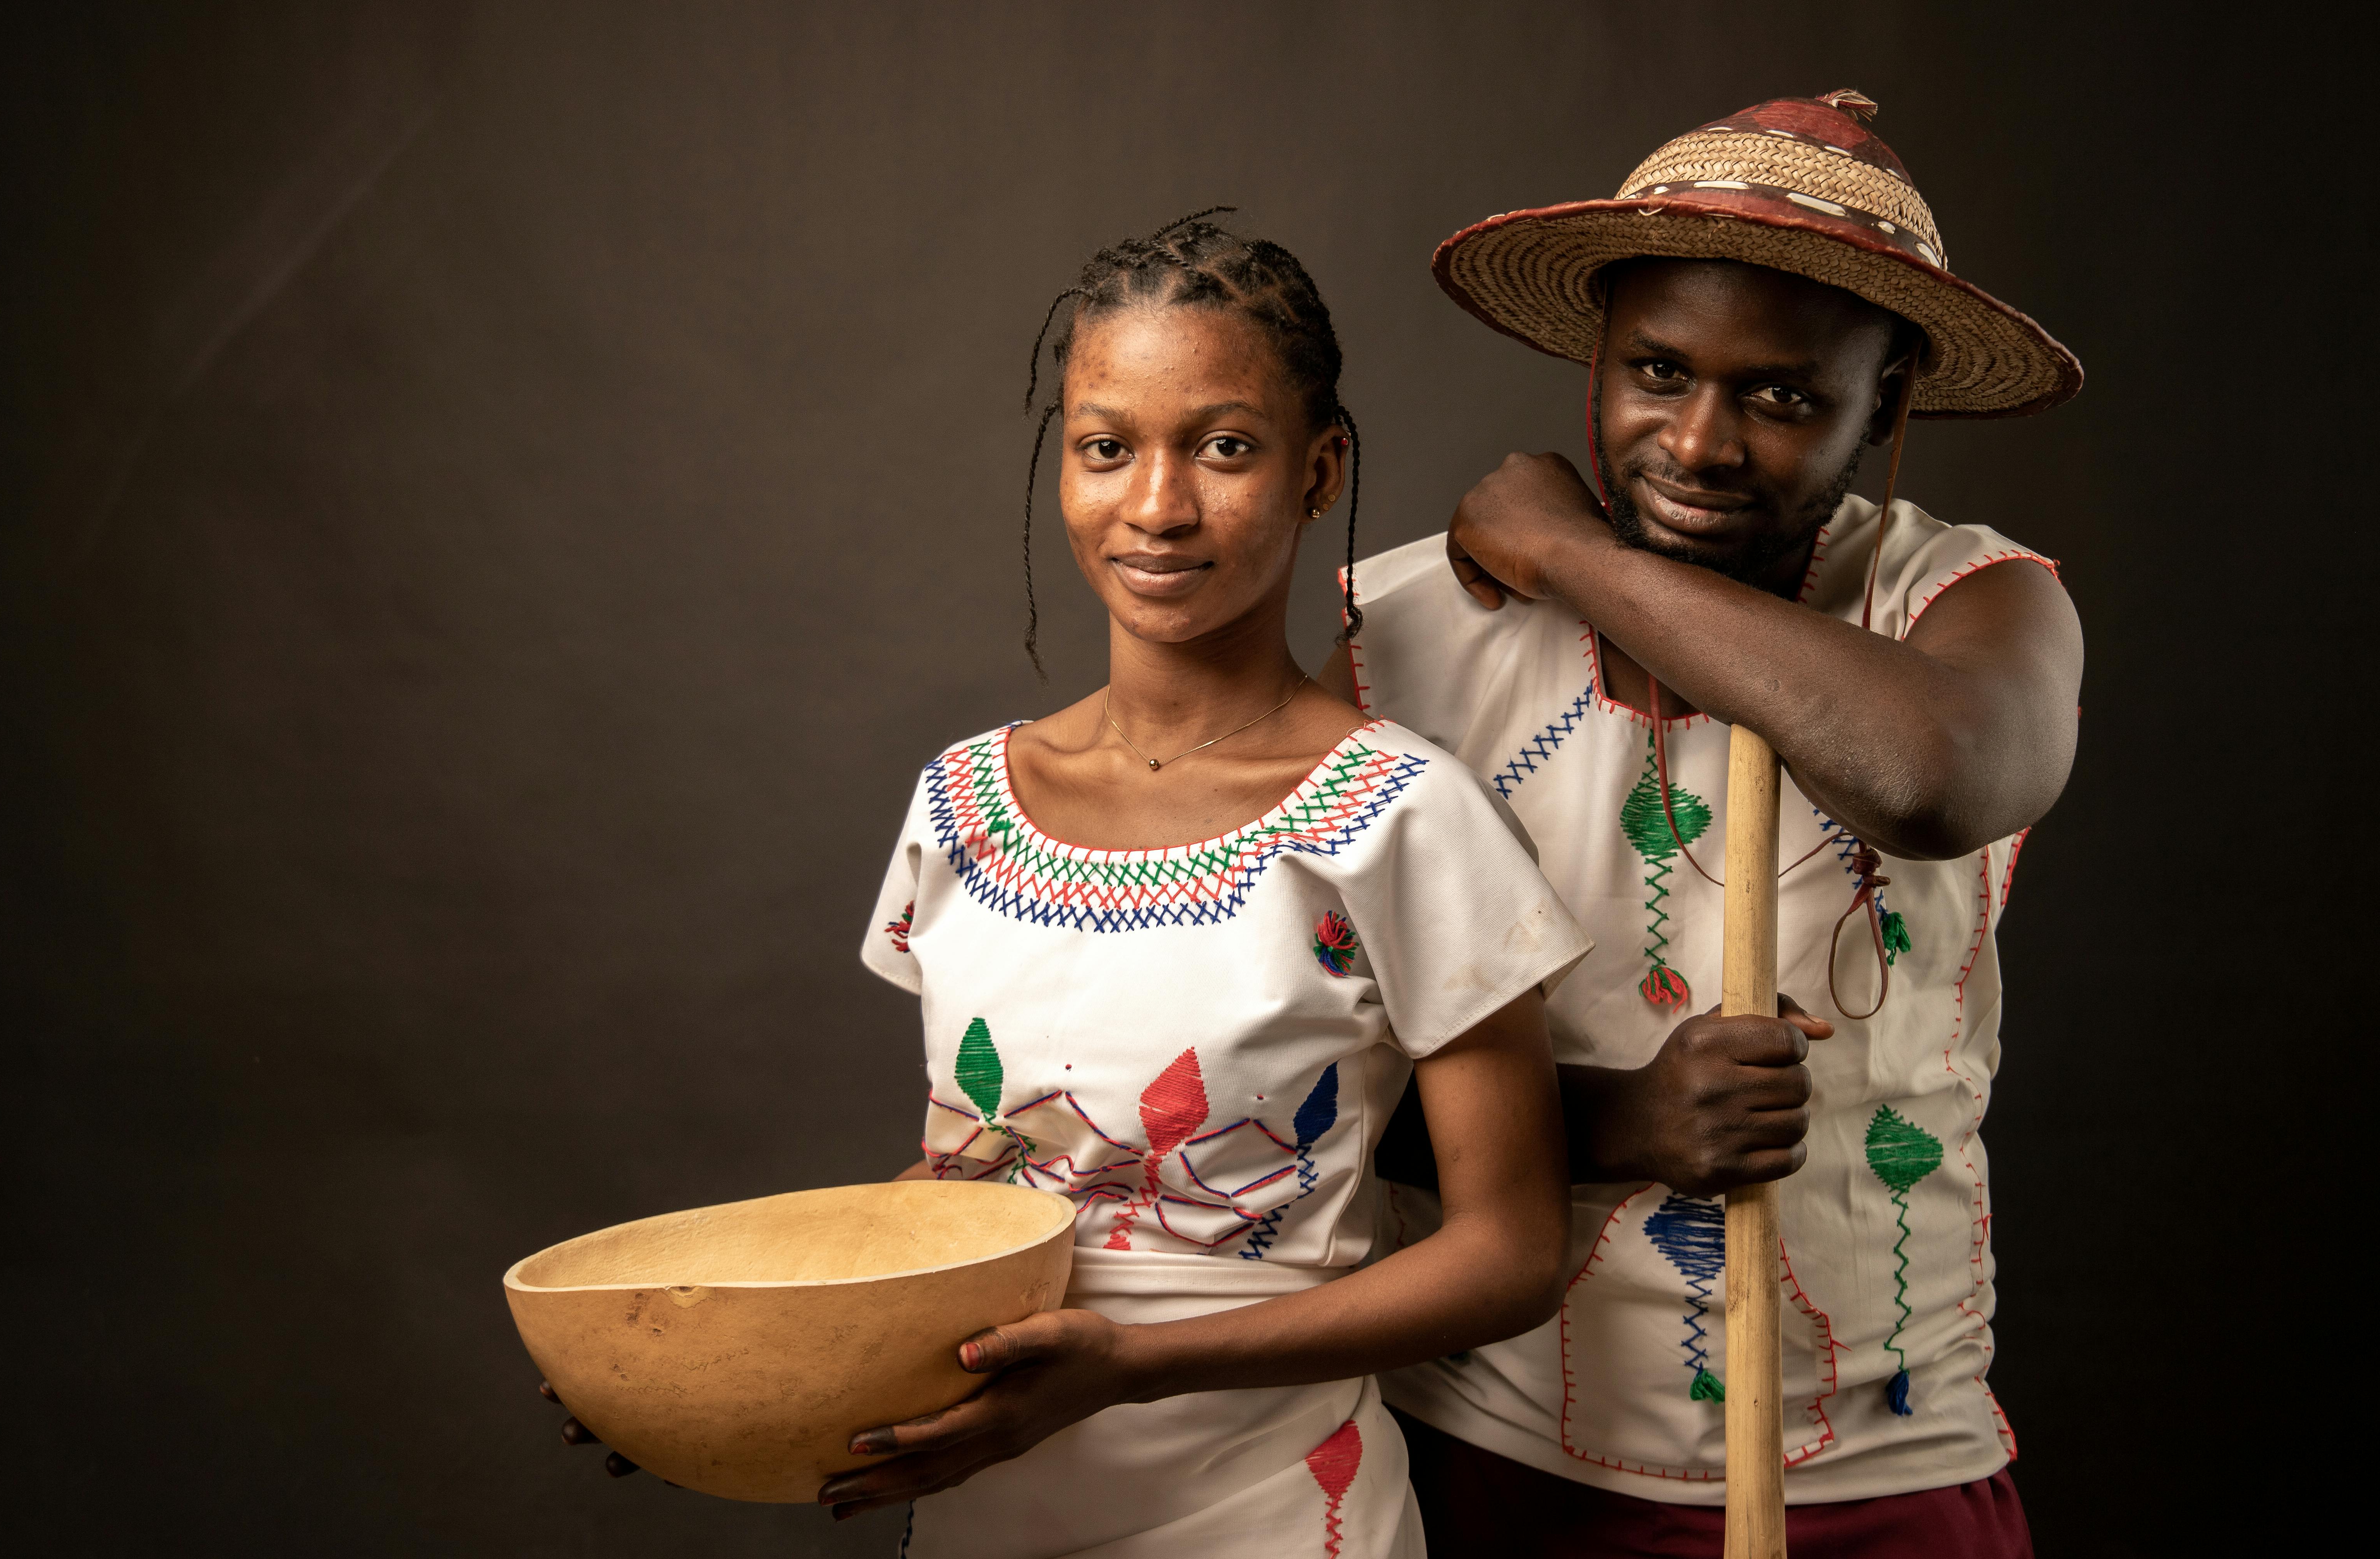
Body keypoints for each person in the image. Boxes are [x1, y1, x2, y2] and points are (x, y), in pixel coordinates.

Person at [1324, 92, 2082, 1557]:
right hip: (1484, 1446)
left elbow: (1937, 782)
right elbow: (1305, 1080)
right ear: (1594, 354)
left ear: (1889, 404)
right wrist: (1620, 1121)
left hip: (1875, 1466)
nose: (1699, 441)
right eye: (1656, 371)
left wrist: (1570, 552)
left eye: (1785, 398)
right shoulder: (1409, 637)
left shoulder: (1972, 606)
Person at [803, 215, 1585, 1557]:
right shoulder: (961, 804)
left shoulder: (1401, 819)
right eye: (1108, 447)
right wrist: (719, 1360)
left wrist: (1135, 1364)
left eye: (1224, 448)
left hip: (1269, 1506)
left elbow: (1509, 1253)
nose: (1157, 507)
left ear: (1319, 468)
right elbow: (976, 1178)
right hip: (986, 1500)